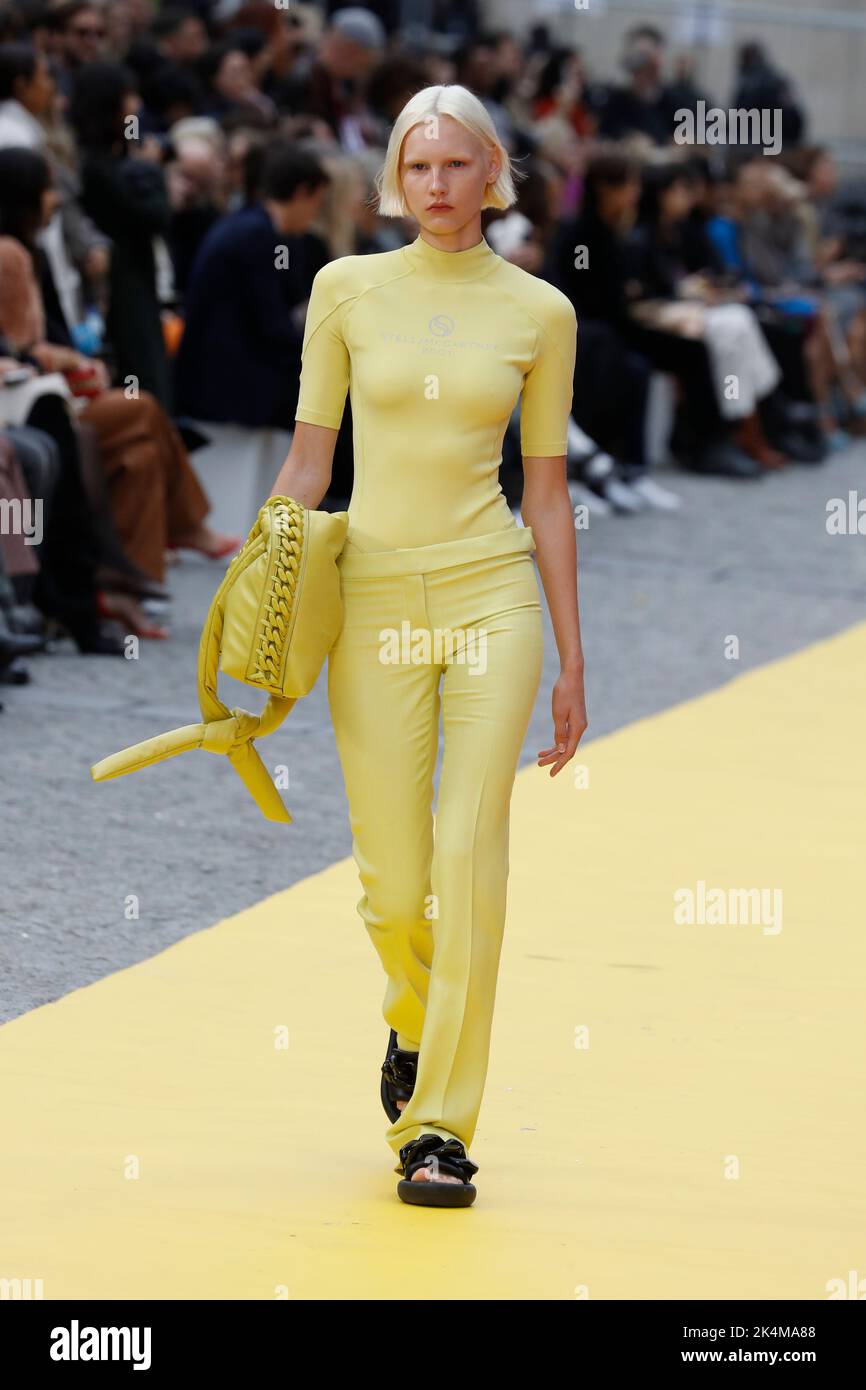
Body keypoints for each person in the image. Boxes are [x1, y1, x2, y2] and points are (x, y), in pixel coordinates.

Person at [267, 84, 586, 1206]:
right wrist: (260, 594)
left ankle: (438, 1125)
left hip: (489, 590)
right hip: (371, 600)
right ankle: (409, 1016)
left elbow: (543, 493)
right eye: (417, 168)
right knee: (394, 881)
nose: (438, 187)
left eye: (457, 166)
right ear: (393, 179)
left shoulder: (540, 310)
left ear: (491, 171)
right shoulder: (344, 289)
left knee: (467, 852)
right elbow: (311, 463)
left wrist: (571, 661)